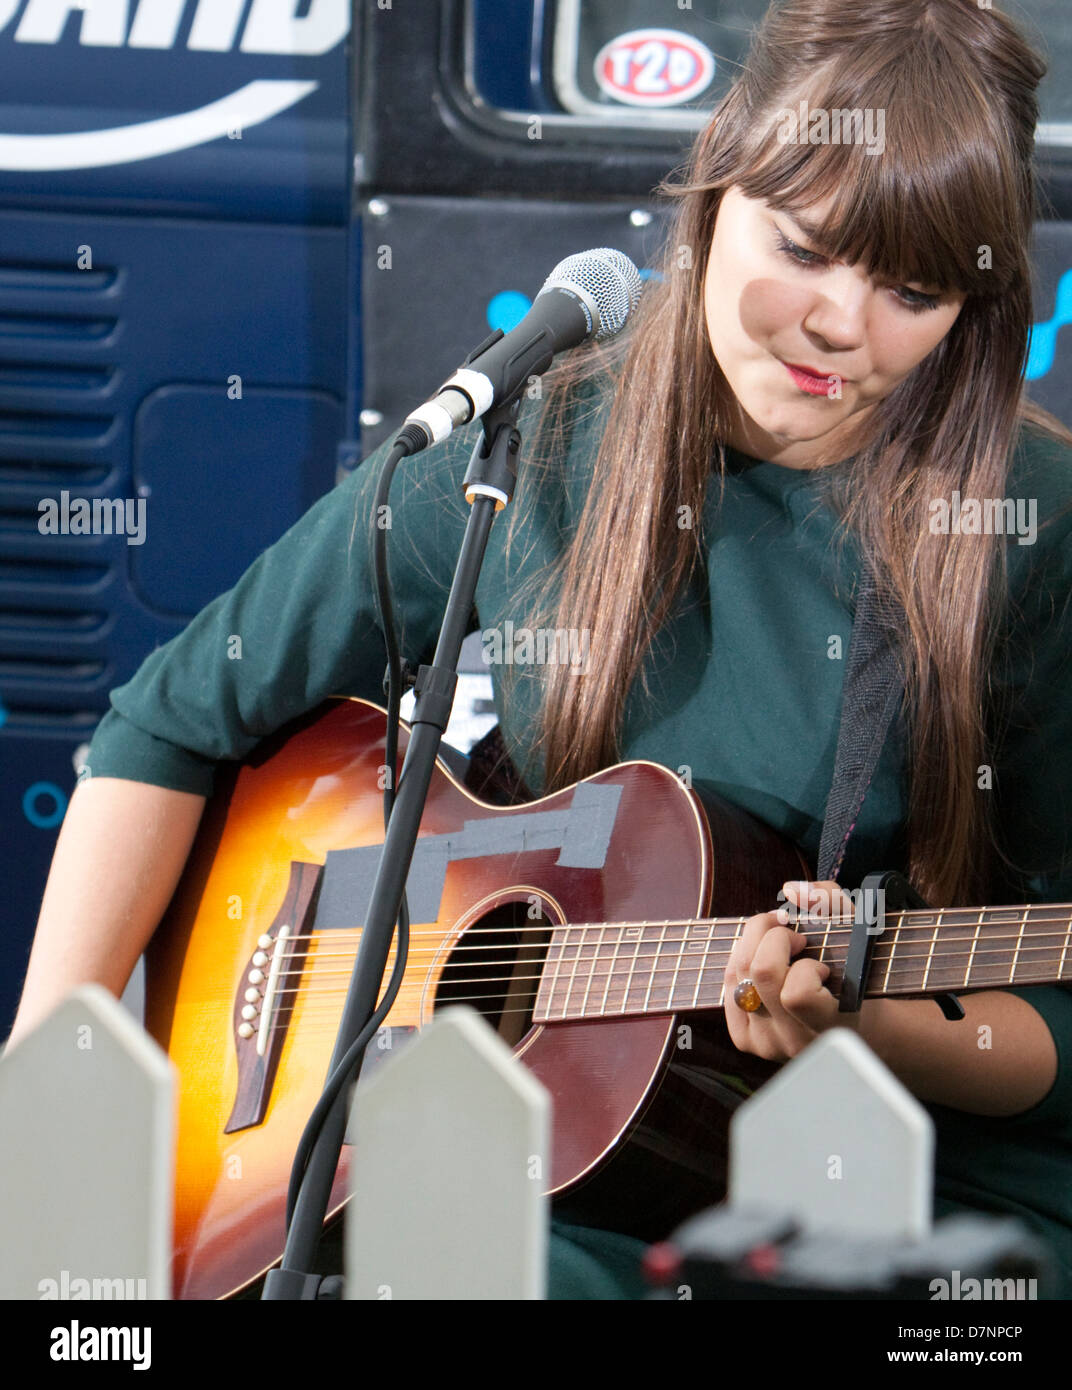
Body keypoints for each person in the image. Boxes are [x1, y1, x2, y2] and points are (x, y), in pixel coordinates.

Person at [7, 0, 1072, 1299]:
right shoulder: (544, 434)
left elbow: (1055, 1012)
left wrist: (873, 1021)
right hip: (545, 1162)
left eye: (913, 290)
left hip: (918, 1191)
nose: (843, 324)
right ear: (718, 178)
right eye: (805, 247)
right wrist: (44, 1090)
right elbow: (171, 719)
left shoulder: (1031, 532)